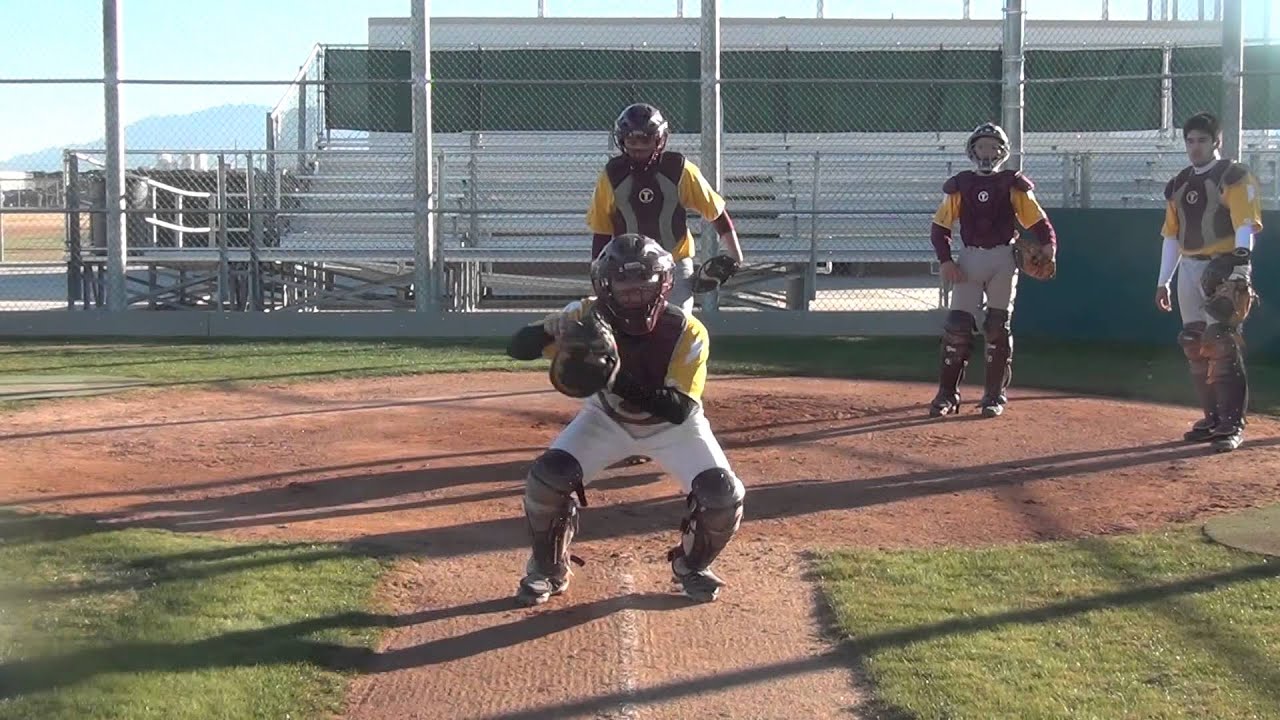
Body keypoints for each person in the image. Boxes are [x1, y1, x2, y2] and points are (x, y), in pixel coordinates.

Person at [504, 233, 746, 607]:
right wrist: (550, 331)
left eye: (643, 280)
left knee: (722, 496)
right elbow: (516, 347)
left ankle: (692, 565)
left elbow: (677, 408)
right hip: (607, 417)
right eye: (623, 281)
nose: (634, 291)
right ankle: (547, 568)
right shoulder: (586, 315)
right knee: (548, 477)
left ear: (663, 283)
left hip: (673, 428)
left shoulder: (686, 330)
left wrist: (613, 377)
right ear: (605, 284)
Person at [927, 122, 1059, 418]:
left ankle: (993, 396)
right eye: (981, 147)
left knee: (997, 327)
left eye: (993, 147)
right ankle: (947, 394)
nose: (987, 153)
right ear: (972, 151)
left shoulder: (1012, 184)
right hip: (971, 258)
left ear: (1002, 152)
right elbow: (940, 228)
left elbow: (1039, 222)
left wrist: (1049, 244)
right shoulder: (960, 185)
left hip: (1003, 257)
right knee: (958, 327)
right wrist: (946, 261)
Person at [1155, 111, 1264, 453]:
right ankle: (1213, 417)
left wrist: (1239, 263)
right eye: (1190, 140)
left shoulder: (1233, 176)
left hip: (1224, 264)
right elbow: (1171, 237)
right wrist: (1163, 282)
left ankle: (1232, 423)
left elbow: (1245, 224)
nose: (1195, 147)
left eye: (1202, 140)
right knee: (1194, 342)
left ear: (1216, 141)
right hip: (1190, 265)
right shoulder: (1179, 183)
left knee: (1222, 341)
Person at [585, 103, 745, 312]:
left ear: (659, 139)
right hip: (625, 270)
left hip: (673, 264)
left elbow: (715, 211)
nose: (639, 147)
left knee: (676, 325)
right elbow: (602, 230)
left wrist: (735, 255)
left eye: (645, 139)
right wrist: (597, 274)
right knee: (628, 330)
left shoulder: (679, 170)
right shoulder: (611, 176)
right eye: (632, 140)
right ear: (622, 140)